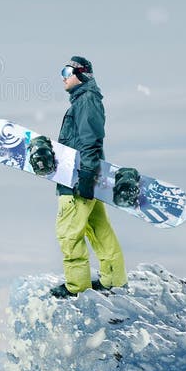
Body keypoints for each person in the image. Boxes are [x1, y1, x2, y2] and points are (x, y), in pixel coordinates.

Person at [50, 56, 128, 298]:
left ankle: (76, 287)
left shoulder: (85, 101)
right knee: (99, 229)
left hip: (77, 180)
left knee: (68, 234)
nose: (63, 76)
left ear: (82, 74)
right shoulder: (86, 101)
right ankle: (114, 280)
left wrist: (84, 177)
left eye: (67, 71)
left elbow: (91, 141)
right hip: (89, 178)